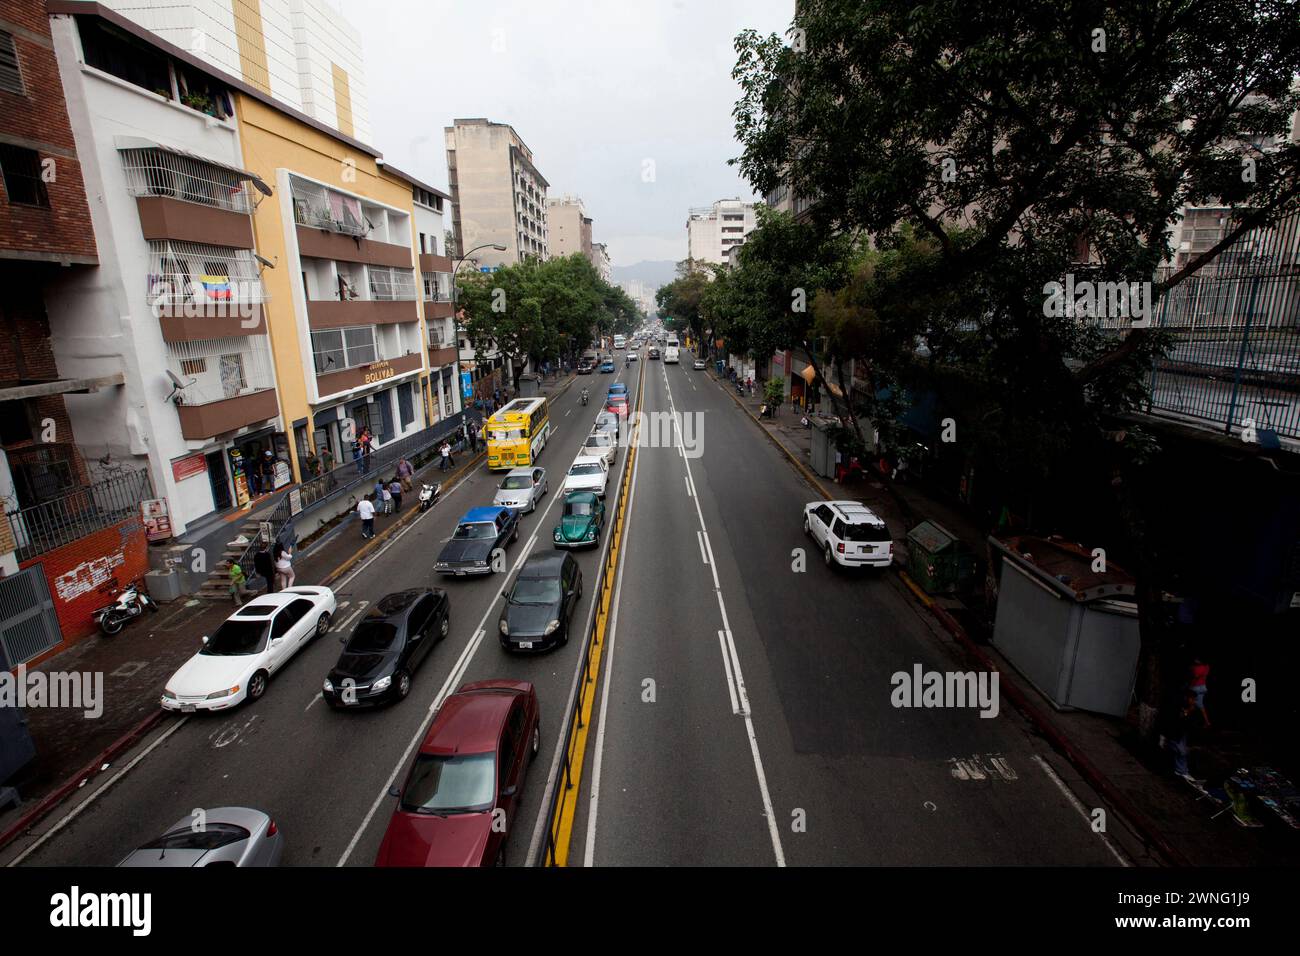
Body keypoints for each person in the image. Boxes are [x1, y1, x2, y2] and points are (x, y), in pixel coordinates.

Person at [1160, 690, 1205, 785]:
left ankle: (1181, 770)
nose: (1193, 701)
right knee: (1181, 751)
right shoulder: (1179, 708)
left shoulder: (1194, 710)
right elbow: (1178, 723)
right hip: (1176, 733)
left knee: (1182, 752)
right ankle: (1181, 771)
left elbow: (1197, 723)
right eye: (1192, 699)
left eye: (1194, 699)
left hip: (1184, 734)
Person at [1188, 656, 1211, 728]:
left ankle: (1205, 722)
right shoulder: (1206, 667)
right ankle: (1206, 722)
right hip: (1203, 687)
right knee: (1199, 705)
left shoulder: (1194, 667)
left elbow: (1194, 675)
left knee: (1193, 704)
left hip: (1195, 687)